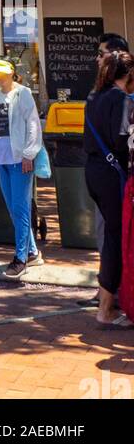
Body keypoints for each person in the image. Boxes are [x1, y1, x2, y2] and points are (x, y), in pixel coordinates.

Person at [0, 58, 45, 277]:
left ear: (10, 72)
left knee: (20, 209)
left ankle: (21, 257)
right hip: (2, 159)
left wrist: (29, 153)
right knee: (13, 208)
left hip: (19, 159)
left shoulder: (23, 93)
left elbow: (33, 124)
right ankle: (33, 252)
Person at [84, 48, 134, 327]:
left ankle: (109, 299)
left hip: (93, 171)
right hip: (113, 174)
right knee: (116, 239)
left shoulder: (93, 97)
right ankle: (106, 308)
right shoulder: (121, 99)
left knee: (110, 238)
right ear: (127, 75)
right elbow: (122, 141)